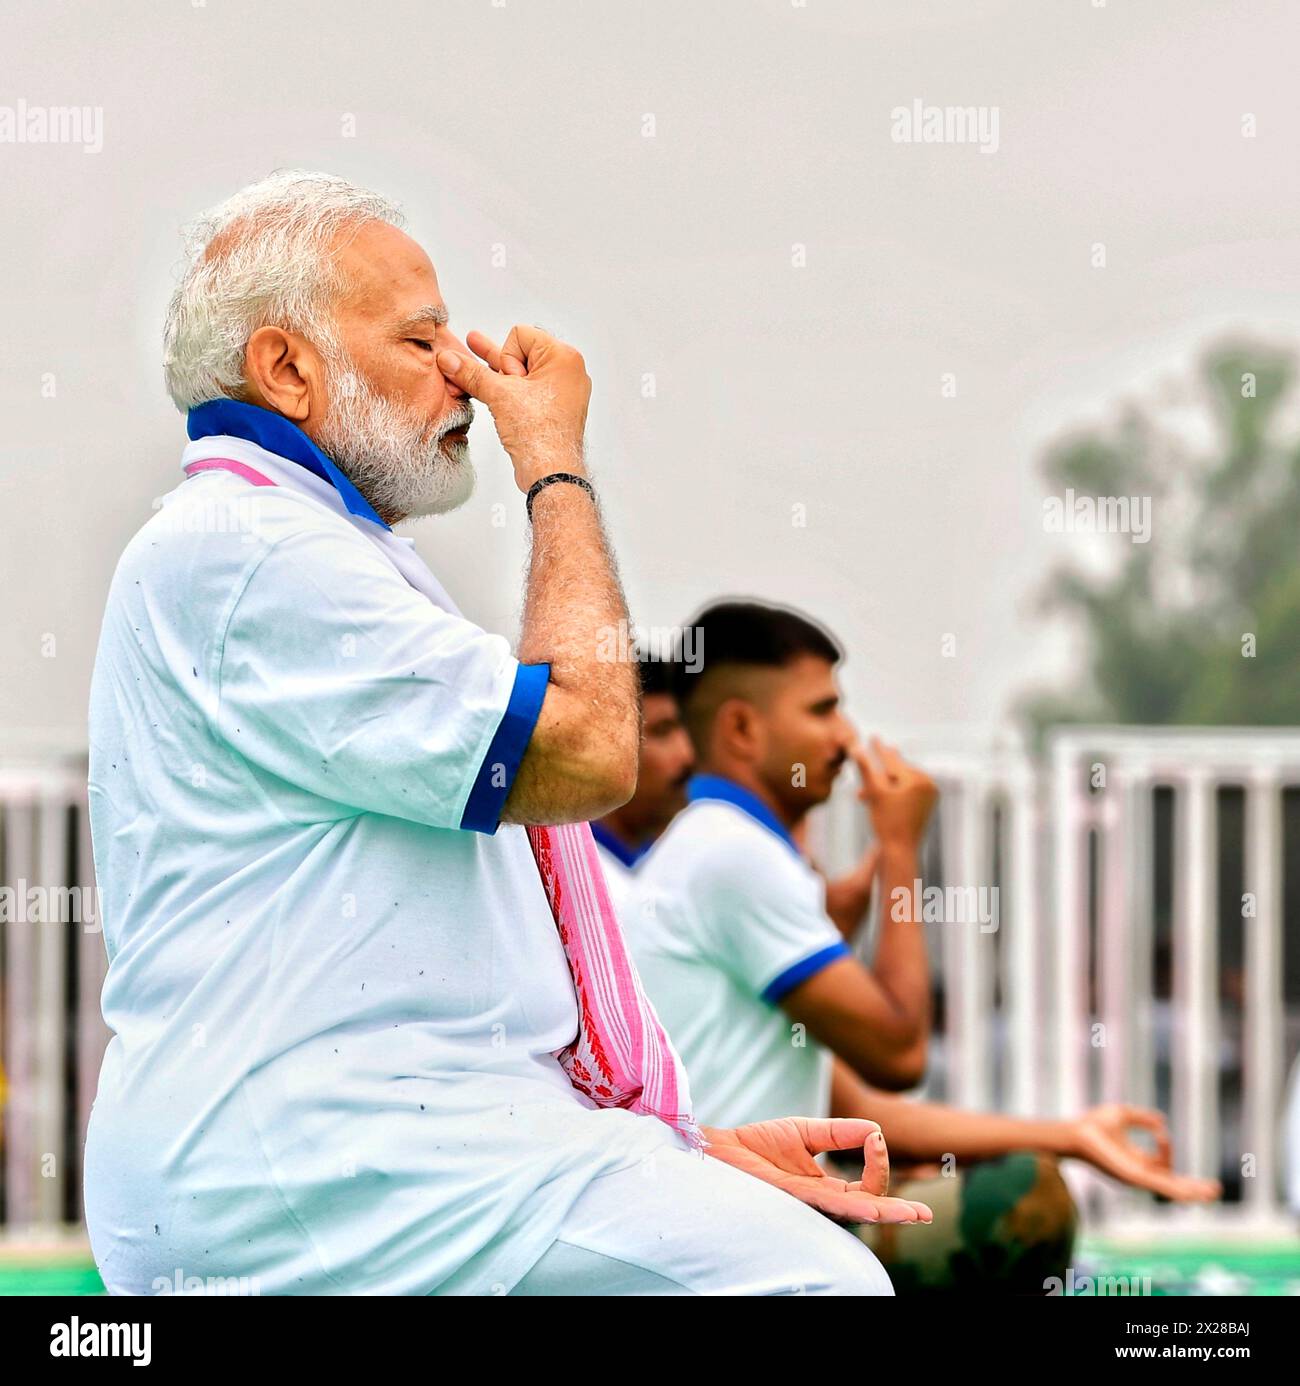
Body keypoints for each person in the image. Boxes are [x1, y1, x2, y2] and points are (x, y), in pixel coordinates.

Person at [83, 172, 931, 1298]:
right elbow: (584, 751)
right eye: (423, 336)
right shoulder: (249, 547)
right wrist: (556, 466)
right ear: (287, 369)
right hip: (326, 1172)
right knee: (821, 1288)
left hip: (393, 1163)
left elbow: (452, 980)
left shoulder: (307, 548)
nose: (466, 372)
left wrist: (672, 1153)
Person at [626, 599, 1220, 1292]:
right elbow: (902, 1052)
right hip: (721, 1240)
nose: (847, 738)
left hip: (727, 1219)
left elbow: (874, 1112)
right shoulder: (730, 852)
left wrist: (1071, 1134)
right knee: (1021, 1201)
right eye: (822, 710)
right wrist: (902, 847)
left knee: (1017, 1172)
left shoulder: (719, 845)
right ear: (741, 728)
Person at [590, 657, 695, 919]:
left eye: (686, 731)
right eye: (662, 732)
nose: (687, 755)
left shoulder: (675, 868)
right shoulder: (559, 882)